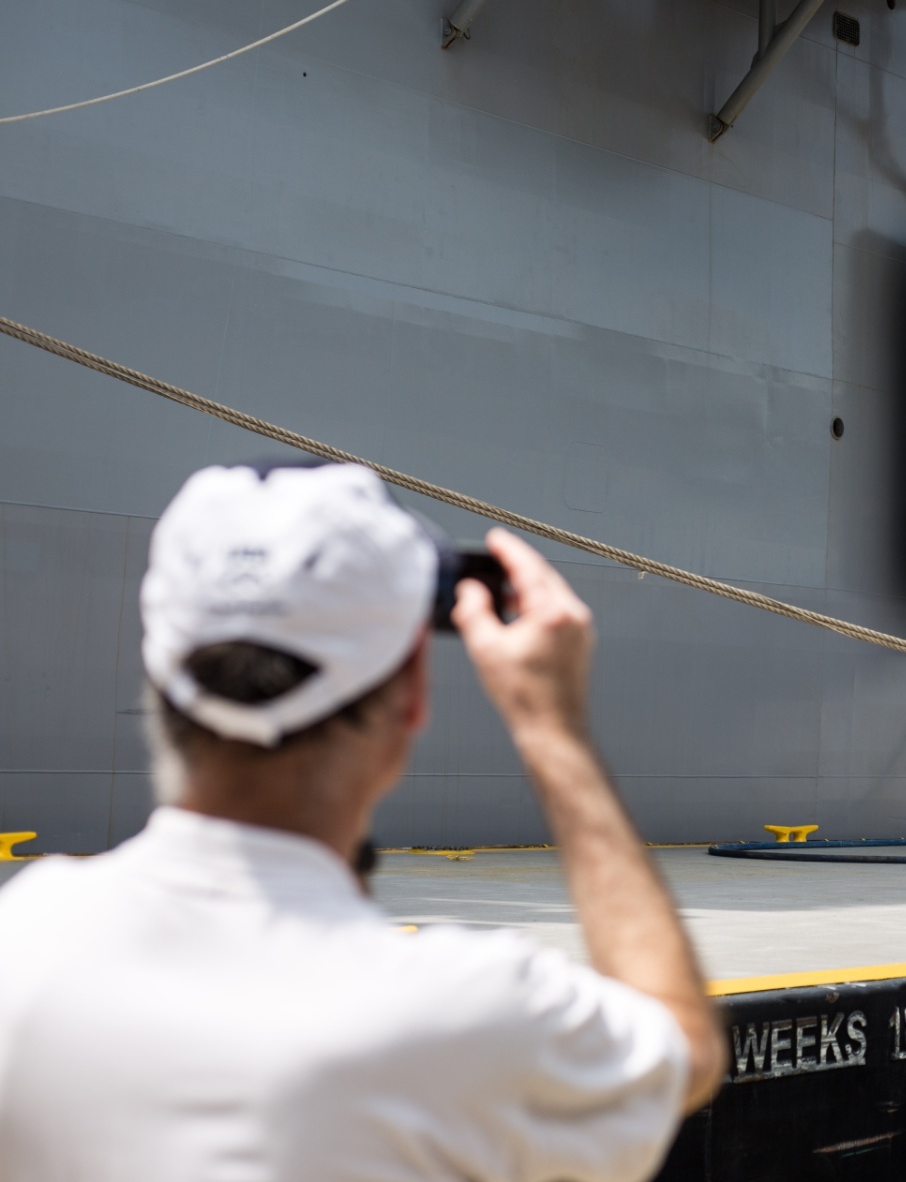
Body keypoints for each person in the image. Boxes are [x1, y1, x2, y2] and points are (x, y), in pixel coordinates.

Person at [0, 461, 724, 1178]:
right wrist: (551, 727)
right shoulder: (466, 1015)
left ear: (161, 676)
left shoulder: (23, 936)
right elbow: (682, 1051)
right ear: (413, 697)